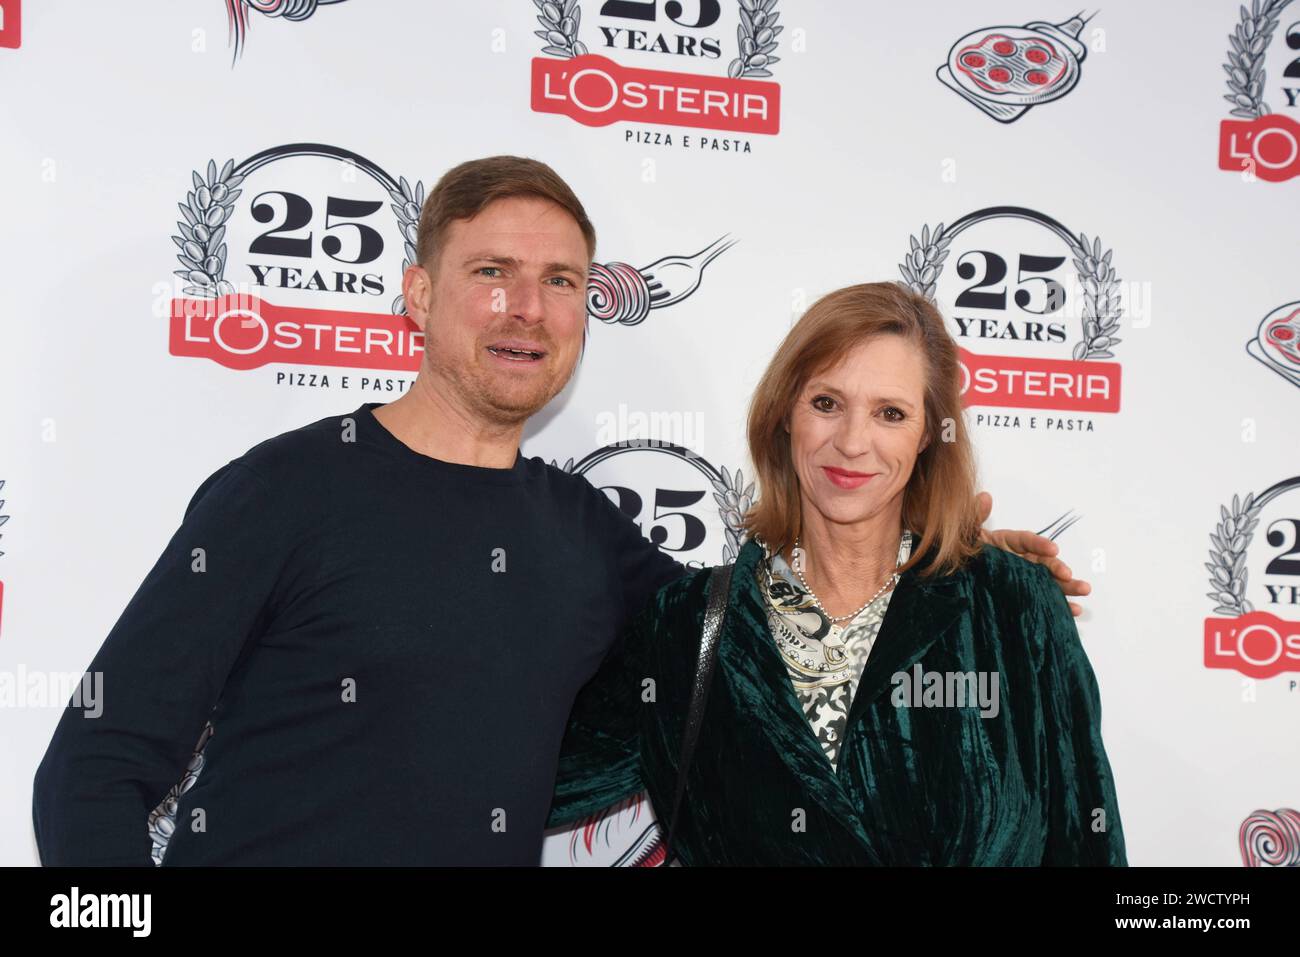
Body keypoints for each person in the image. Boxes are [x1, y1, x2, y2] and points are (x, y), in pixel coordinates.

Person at [33, 157, 1085, 865]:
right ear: (415, 292)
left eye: (559, 282)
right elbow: (93, 768)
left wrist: (954, 552)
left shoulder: (586, 537)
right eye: (490, 273)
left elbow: (772, 631)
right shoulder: (284, 490)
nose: (525, 309)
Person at [547, 282, 1125, 866]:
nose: (852, 442)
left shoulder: (1011, 609)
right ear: (784, 415)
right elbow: (518, 780)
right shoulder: (685, 628)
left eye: (890, 414)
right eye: (826, 403)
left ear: (928, 434)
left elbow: (1089, 847)